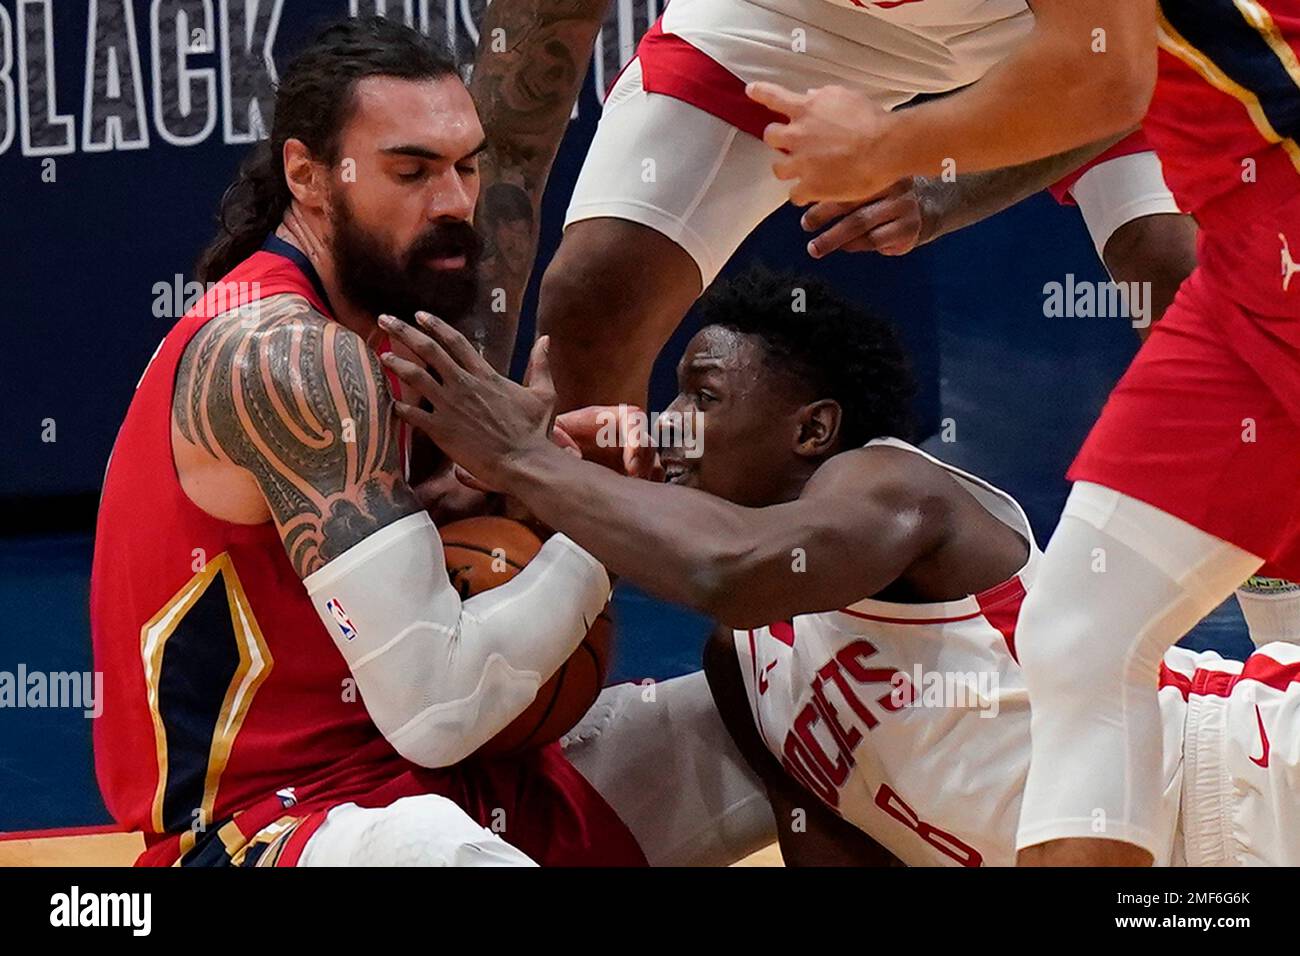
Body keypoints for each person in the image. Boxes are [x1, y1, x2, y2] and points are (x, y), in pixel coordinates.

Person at [90, 15, 770, 868]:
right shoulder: (286, 355)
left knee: (795, 706)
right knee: (440, 854)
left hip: (444, 782)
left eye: (467, 168)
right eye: (411, 171)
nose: (452, 202)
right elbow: (438, 709)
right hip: (277, 825)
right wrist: (591, 517)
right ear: (306, 174)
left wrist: (566, 469)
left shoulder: (388, 332)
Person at [383, 267, 1300, 867]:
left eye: (701, 396)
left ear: (812, 429)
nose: (670, 423)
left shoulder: (889, 482)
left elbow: (730, 566)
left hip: (1249, 776)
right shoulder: (739, 665)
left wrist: (532, 462)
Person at [751, 0, 1300, 865]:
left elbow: (1101, 77)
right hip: (1245, 248)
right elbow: (1108, 76)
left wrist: (886, 146)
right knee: (1082, 632)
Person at [505, 0, 1196, 412]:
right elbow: (508, 127)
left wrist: (933, 175)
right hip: (801, 16)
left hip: (1104, 26)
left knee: (1179, 268)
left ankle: (1282, 633)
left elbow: (1110, 80)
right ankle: (565, 627)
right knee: (596, 294)